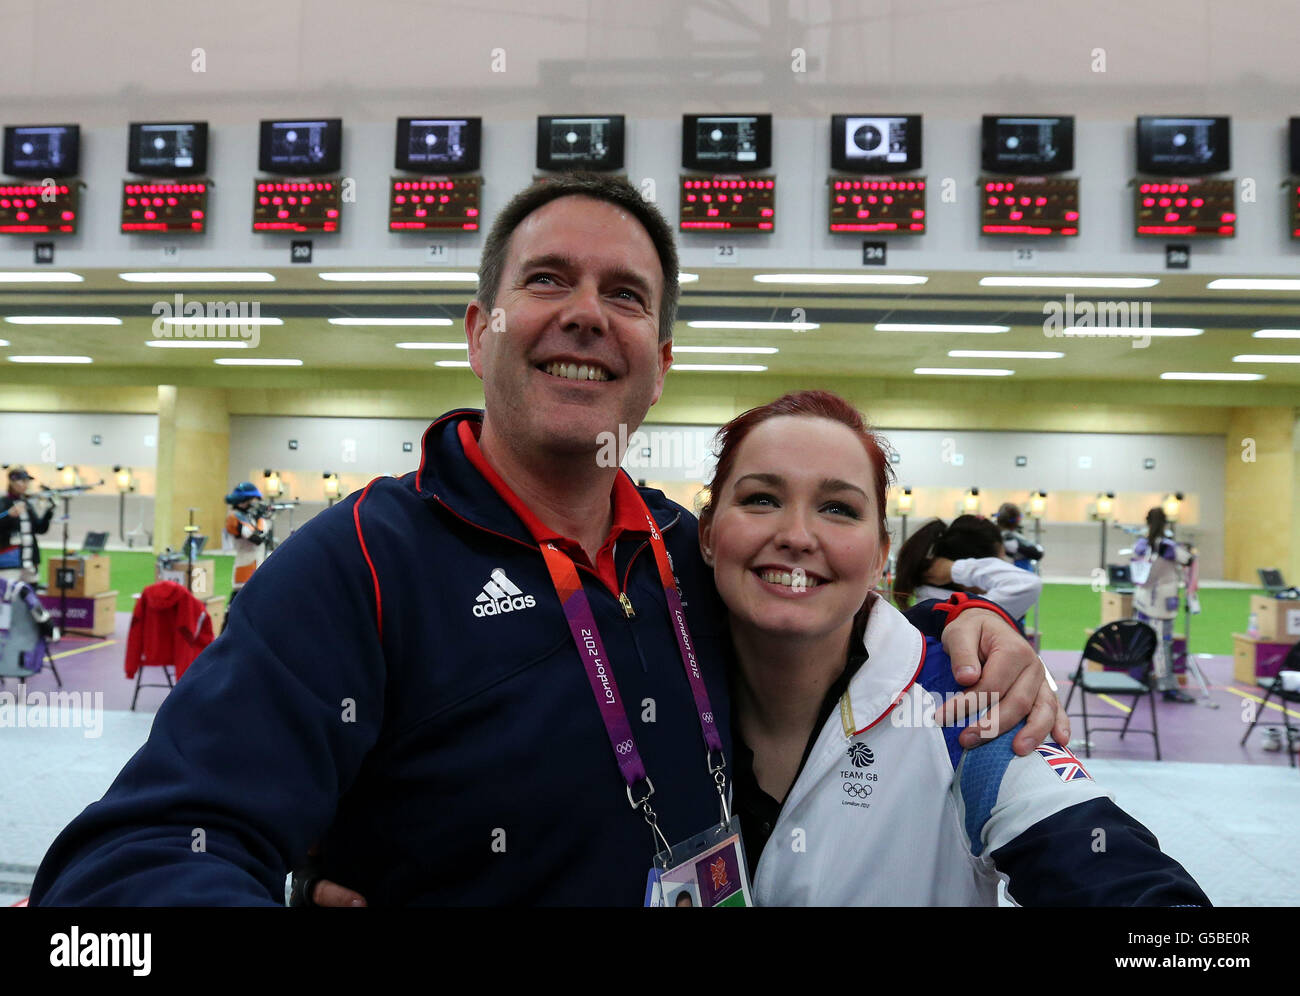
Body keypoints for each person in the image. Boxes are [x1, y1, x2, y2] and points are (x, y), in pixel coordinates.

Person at [30, 174, 1061, 908]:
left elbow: (827, 621)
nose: (584, 315)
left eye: (624, 295)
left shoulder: (682, 549)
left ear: (658, 364)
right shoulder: (360, 564)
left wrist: (963, 621)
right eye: (547, 281)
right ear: (479, 330)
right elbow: (152, 849)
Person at [702, 391, 1209, 905]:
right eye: (761, 499)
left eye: (838, 508)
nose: (797, 535)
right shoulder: (646, 680)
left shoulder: (964, 705)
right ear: (705, 533)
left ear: (881, 557)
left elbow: (1116, 876)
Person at [892, 514, 1042, 622]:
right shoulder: (957, 611)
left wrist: (953, 569)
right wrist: (955, 570)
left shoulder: (935, 604)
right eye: (997, 563)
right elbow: (1028, 584)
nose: (999, 568)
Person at [1131, 507, 1196, 704]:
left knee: (1142, 641)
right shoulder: (1168, 547)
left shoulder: (1141, 545)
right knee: (1162, 647)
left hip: (1141, 600)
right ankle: (1168, 688)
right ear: (1166, 523)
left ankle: (1137, 678)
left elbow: (1136, 572)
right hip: (1162, 605)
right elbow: (1189, 561)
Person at [0, 468, 54, 586]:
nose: (26, 485)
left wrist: (49, 511)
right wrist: (8, 514)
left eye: (27, 481)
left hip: (29, 560)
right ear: (12, 482)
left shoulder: (26, 504)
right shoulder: (4, 502)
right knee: (8, 596)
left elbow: (39, 529)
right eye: (22, 481)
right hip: (10, 560)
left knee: (30, 597)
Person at [223, 482, 269, 610]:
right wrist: (260, 518)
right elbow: (255, 538)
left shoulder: (252, 517)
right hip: (244, 566)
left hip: (257, 563)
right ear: (244, 500)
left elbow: (264, 534)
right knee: (239, 604)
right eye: (253, 500)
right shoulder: (234, 517)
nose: (256, 503)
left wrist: (261, 517)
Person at [995, 502, 1044, 572]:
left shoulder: (996, 535)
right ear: (1018, 519)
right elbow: (1037, 554)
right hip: (1019, 573)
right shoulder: (1010, 537)